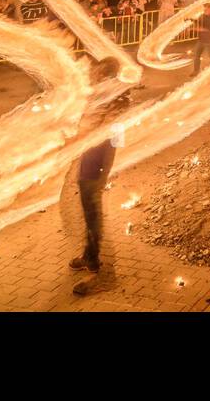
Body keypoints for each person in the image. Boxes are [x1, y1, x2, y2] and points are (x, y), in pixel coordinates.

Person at [71, 59, 127, 295]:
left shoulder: (116, 100)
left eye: (97, 75)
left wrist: (106, 167)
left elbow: (115, 136)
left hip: (97, 162)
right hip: (89, 158)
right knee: (88, 209)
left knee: (92, 210)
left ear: (106, 76)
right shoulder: (103, 96)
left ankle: (95, 265)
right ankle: (88, 254)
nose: (92, 77)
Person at [191, 3, 210, 73]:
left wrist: (196, 29)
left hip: (209, 41)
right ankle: (196, 71)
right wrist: (191, 20)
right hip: (201, 40)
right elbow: (199, 22)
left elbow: (207, 29)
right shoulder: (203, 16)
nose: (205, 9)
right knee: (197, 55)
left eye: (207, 8)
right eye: (205, 8)